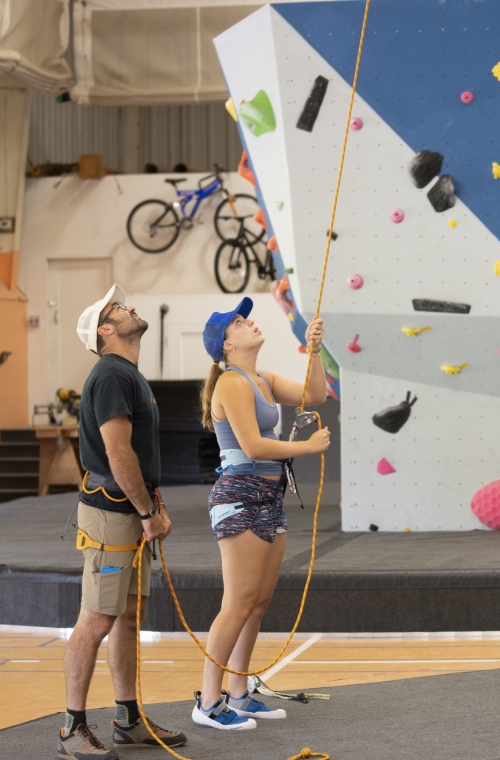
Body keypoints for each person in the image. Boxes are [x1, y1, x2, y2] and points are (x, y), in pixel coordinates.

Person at [59, 285, 186, 760]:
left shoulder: (127, 373)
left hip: (126, 509)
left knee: (127, 616)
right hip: (113, 514)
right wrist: (149, 513)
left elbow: (135, 456)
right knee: (96, 619)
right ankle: (72, 727)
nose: (129, 307)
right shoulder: (112, 374)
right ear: (105, 331)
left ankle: (128, 718)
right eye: (118, 309)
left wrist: (154, 504)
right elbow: (117, 453)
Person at [191, 297, 330, 730]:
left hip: (269, 498)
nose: (248, 322)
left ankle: (239, 691)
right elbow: (252, 446)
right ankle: (209, 701)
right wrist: (306, 447)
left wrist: (315, 349)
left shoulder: (262, 379)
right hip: (240, 495)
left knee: (258, 602)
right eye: (237, 322)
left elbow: (315, 394)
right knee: (238, 602)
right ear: (226, 346)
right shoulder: (231, 383)